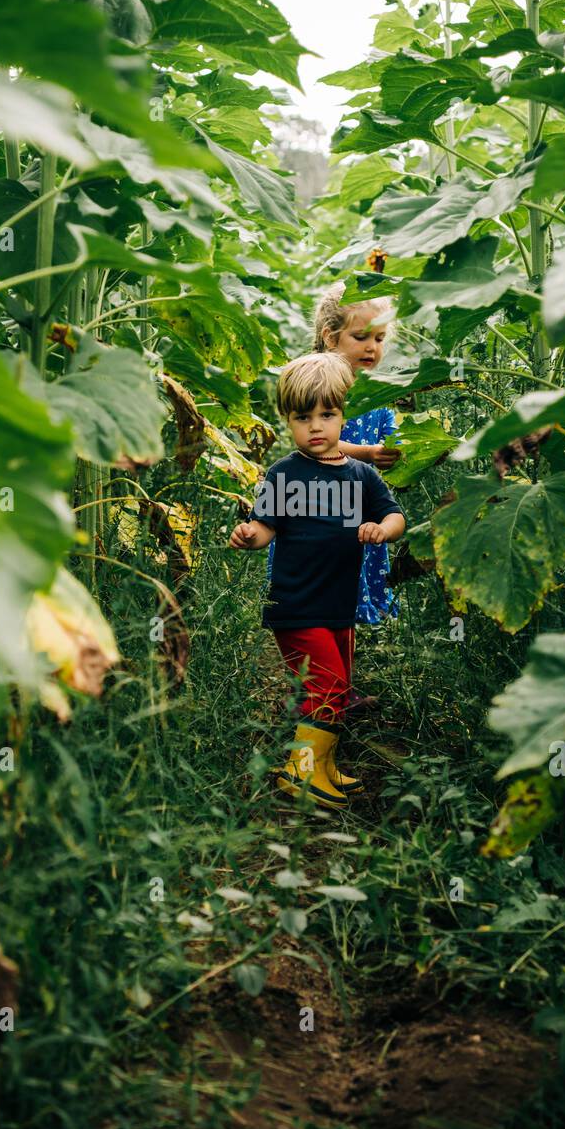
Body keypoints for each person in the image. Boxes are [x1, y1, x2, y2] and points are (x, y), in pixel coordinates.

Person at [229, 351, 406, 810]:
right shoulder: (283, 473)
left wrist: (380, 530)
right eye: (302, 417)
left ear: (343, 416)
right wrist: (251, 536)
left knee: (338, 689)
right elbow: (266, 528)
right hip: (296, 605)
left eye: (326, 414)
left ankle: (322, 766)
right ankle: (300, 774)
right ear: (288, 420)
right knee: (325, 687)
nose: (316, 426)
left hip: (339, 604)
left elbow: (394, 516)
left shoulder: (361, 474)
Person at [267, 283, 403, 711]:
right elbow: (319, 446)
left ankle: (339, 687)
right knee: (315, 605)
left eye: (379, 339)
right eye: (360, 337)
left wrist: (403, 453)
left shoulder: (377, 394)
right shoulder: (322, 390)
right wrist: (366, 454)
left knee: (345, 598)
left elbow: (391, 450)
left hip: (359, 522)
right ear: (331, 337)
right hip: (318, 523)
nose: (371, 348)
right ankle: (317, 691)